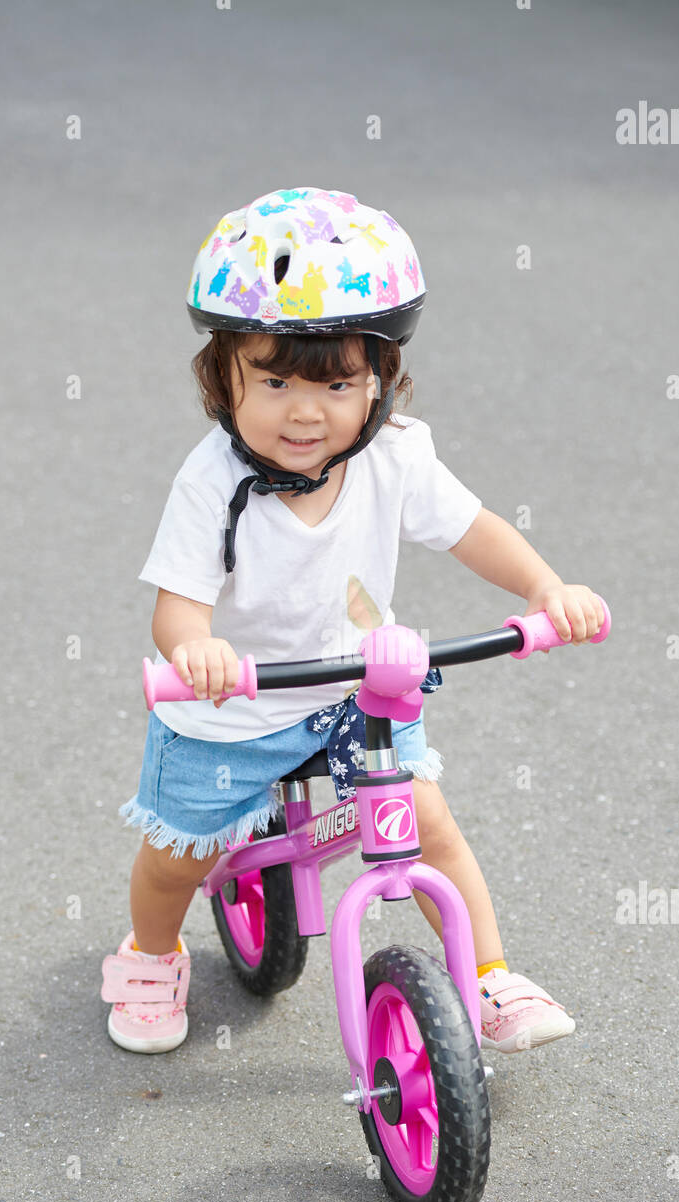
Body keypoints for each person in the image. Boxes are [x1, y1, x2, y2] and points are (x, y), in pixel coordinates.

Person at [101, 186, 605, 1056]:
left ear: (379, 381)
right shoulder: (212, 480)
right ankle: (151, 953)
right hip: (236, 706)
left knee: (430, 823)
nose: (306, 411)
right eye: (275, 381)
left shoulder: (395, 454)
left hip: (357, 690)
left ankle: (488, 978)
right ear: (223, 377)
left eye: (337, 384)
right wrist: (201, 651)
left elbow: (474, 530)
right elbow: (177, 606)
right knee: (179, 855)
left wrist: (543, 588)